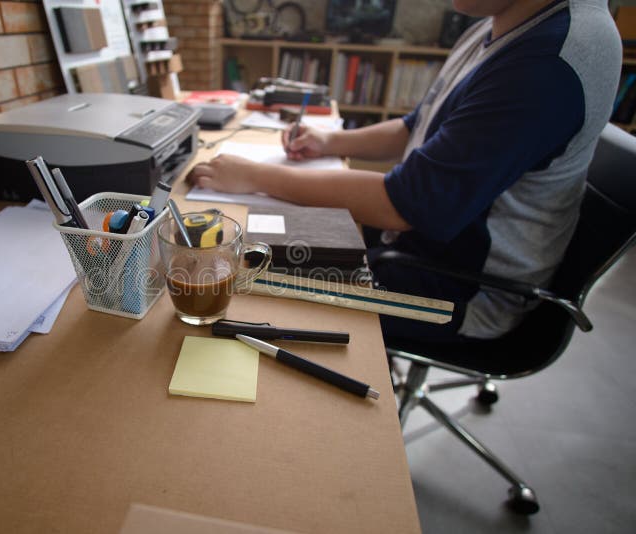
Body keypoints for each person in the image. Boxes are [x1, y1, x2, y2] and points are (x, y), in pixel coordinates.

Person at [186, 0, 623, 342]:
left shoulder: (545, 63)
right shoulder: (501, 23)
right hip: (424, 247)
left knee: (248, 282)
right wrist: (331, 142)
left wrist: (257, 177)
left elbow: (403, 205)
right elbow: (418, 126)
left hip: (462, 287)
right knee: (268, 238)